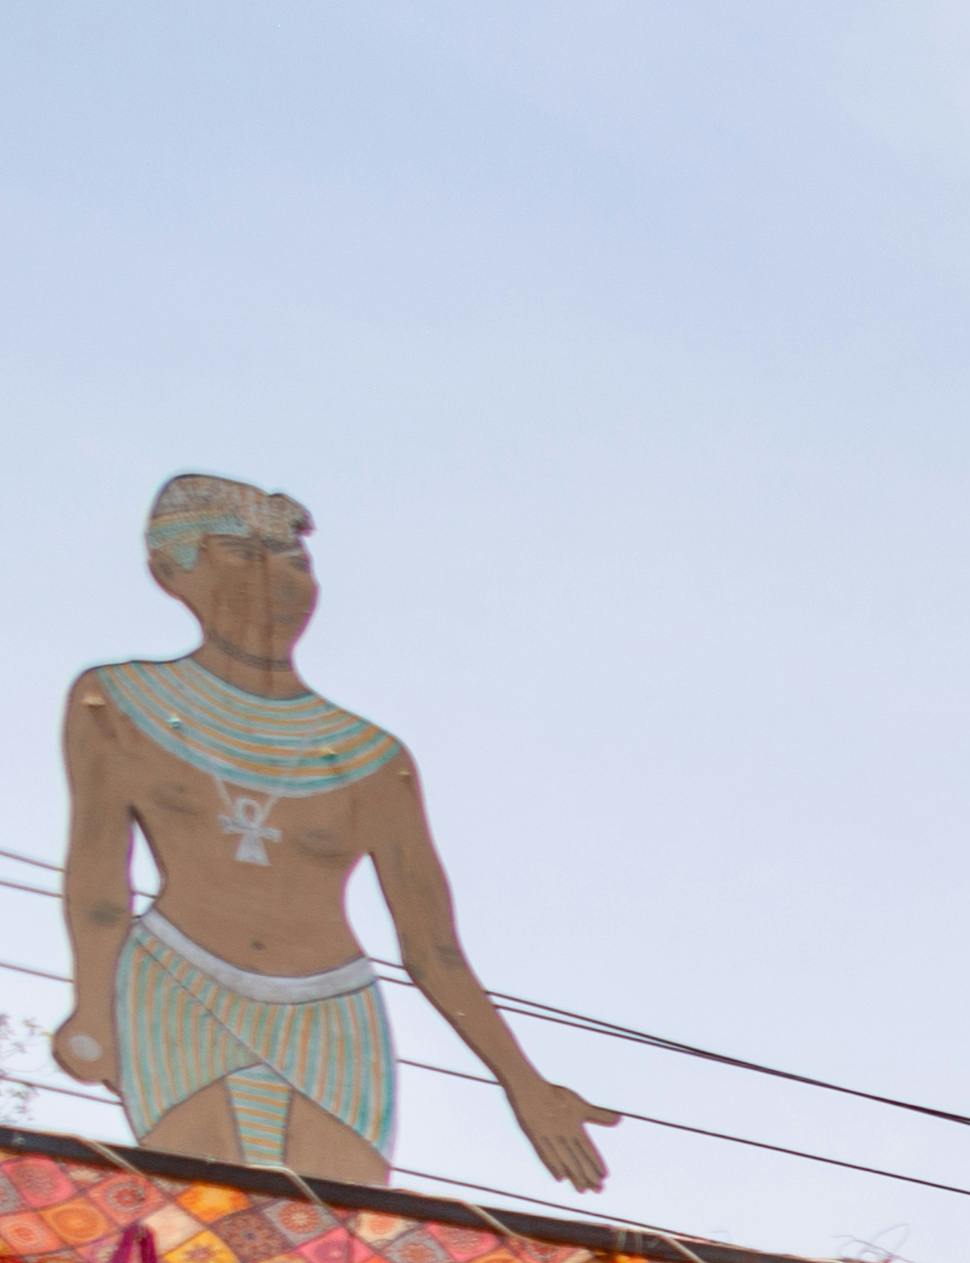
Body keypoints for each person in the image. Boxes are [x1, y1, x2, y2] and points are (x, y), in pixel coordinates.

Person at [51, 473, 610, 1189]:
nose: (269, 575)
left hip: (333, 1015)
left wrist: (523, 1083)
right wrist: (92, 1006)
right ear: (170, 571)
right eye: (237, 550)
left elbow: (433, 949)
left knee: (329, 1257)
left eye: (291, 559)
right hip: (176, 984)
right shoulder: (118, 700)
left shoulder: (371, 758)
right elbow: (99, 880)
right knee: (199, 1240)